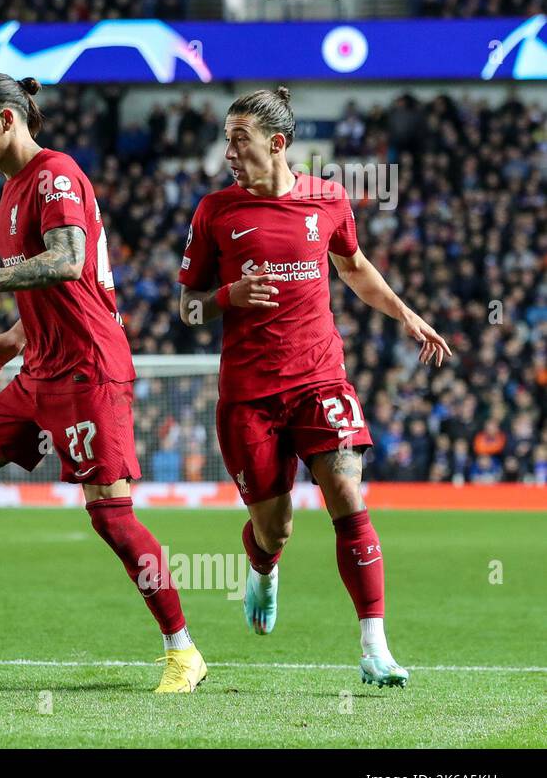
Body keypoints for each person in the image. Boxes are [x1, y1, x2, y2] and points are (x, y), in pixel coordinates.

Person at [0, 72, 207, 693]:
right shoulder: (13, 188)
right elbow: (70, 279)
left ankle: (183, 650)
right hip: (40, 365)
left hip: (87, 370)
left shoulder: (56, 174)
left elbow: (67, 260)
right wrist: (17, 334)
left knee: (111, 516)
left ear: (7, 119)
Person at [178, 86, 452, 688]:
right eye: (226, 138)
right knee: (274, 527)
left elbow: (354, 268)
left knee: (348, 497)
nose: (228, 150)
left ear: (277, 144)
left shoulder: (328, 199)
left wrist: (406, 314)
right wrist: (227, 297)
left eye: (238, 138)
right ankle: (264, 565)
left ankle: (375, 647)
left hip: (320, 377)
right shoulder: (214, 211)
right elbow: (187, 310)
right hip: (249, 395)